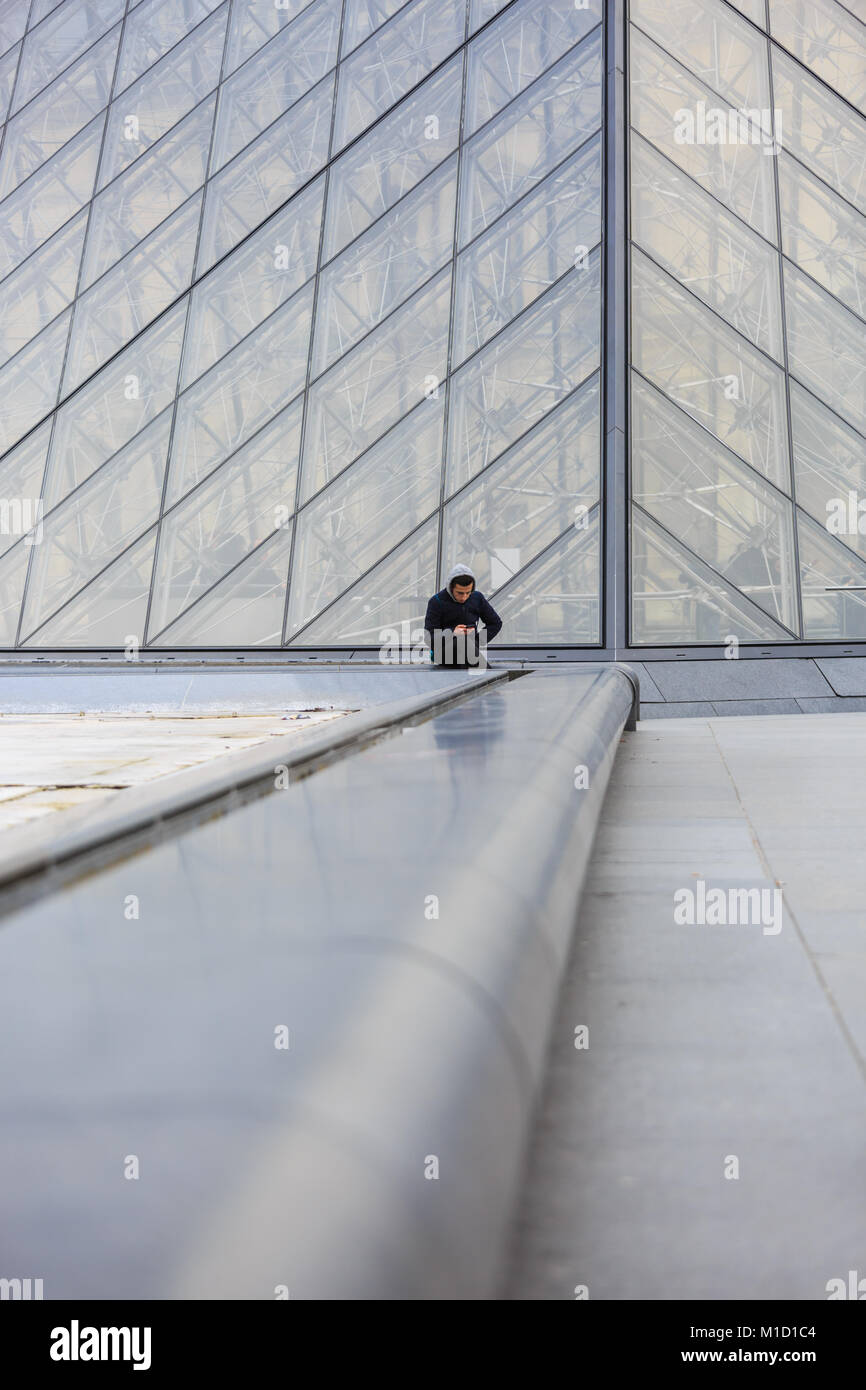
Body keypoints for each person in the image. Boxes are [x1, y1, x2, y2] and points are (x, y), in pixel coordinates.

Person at [424, 563, 502, 667]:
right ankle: (487, 673)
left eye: (468, 592)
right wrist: (452, 632)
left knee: (465, 646)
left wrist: (477, 640)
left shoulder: (477, 598)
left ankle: (483, 674)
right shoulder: (436, 602)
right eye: (460, 593)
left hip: (470, 649)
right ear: (451, 587)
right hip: (443, 652)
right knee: (463, 641)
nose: (464, 597)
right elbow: (429, 638)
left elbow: (495, 623)